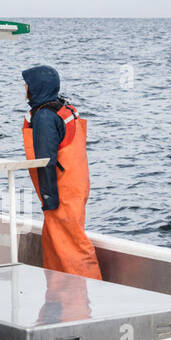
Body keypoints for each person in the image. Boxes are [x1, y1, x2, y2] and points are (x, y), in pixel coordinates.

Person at [21, 65, 101, 279]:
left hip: (60, 192)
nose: (25, 88)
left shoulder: (44, 117)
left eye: (27, 84)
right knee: (59, 242)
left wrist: (49, 198)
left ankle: (86, 294)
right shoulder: (64, 109)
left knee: (71, 246)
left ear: (36, 87)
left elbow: (46, 160)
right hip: (75, 187)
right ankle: (61, 298)